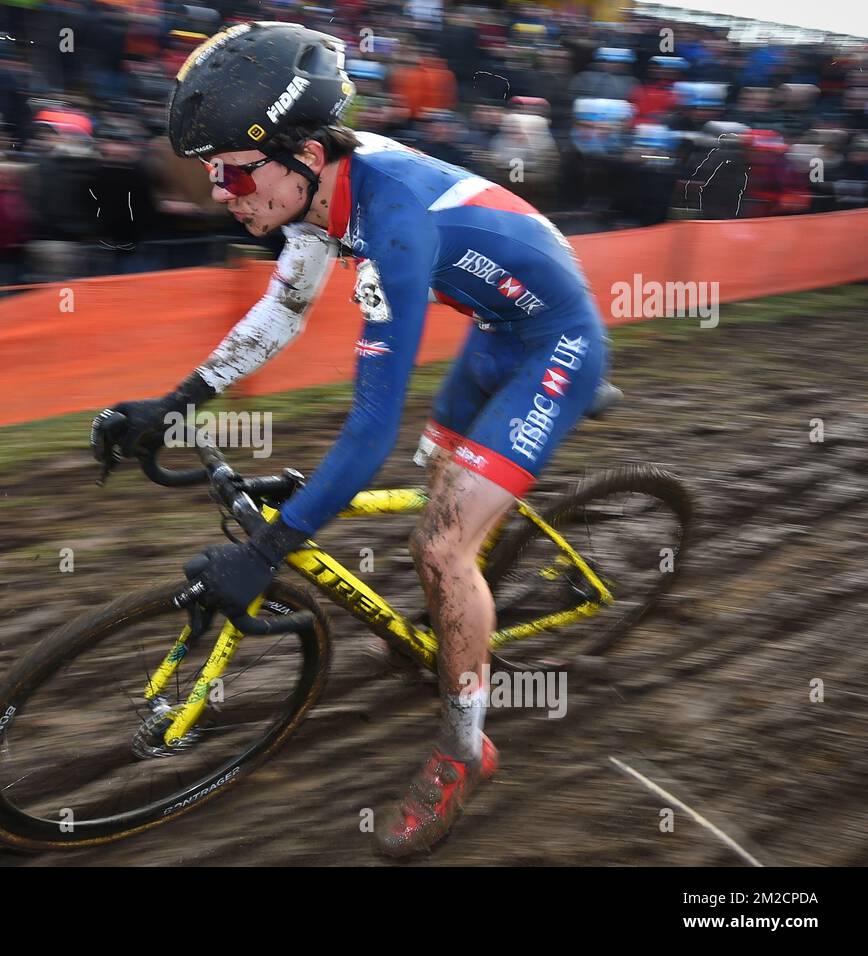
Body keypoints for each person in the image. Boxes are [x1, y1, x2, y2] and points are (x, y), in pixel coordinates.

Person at [89, 21, 608, 857]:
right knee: (434, 479)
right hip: (495, 328)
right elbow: (284, 310)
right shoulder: (318, 185)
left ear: (296, 154)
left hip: (555, 345)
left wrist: (267, 552)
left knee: (440, 548)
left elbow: (367, 429)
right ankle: (469, 595)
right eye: (209, 172)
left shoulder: (390, 228)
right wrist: (175, 402)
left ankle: (465, 749)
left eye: (228, 170)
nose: (220, 190)